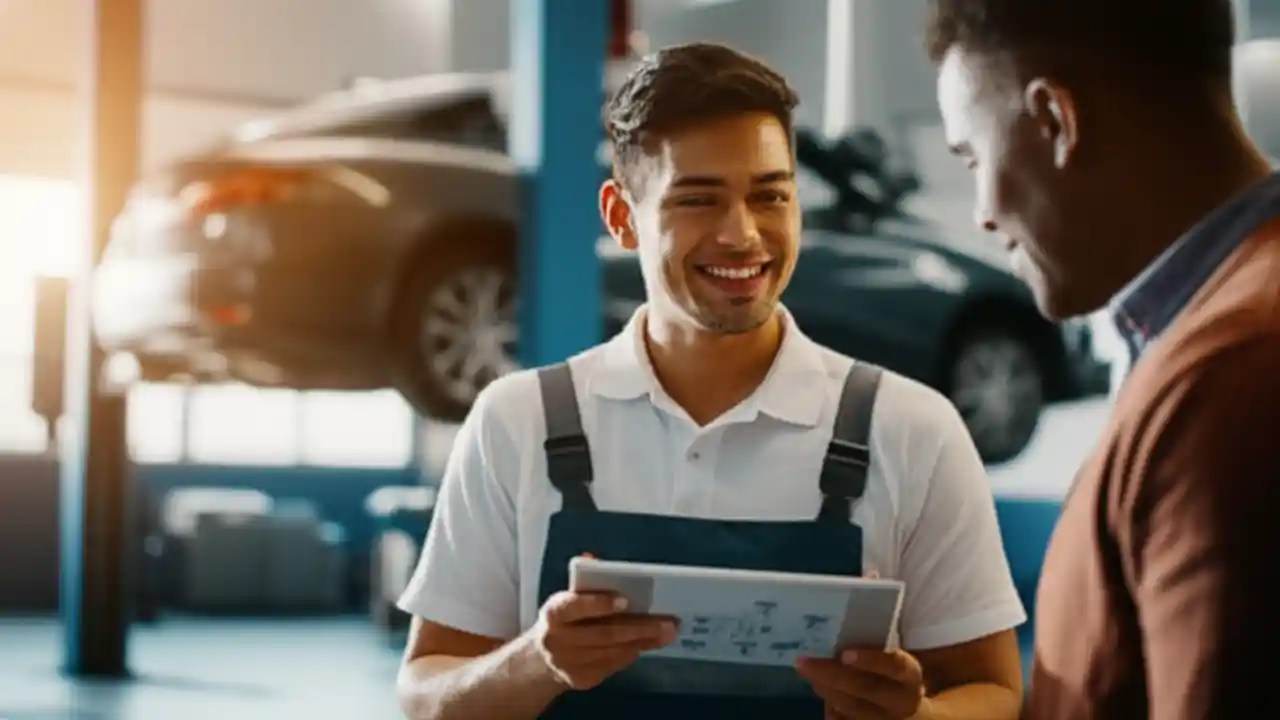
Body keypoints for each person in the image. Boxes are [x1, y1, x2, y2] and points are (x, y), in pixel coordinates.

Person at [395, 42, 1026, 720]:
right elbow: (427, 694)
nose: (742, 233)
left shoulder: (910, 431)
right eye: (698, 200)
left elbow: (992, 693)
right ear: (620, 217)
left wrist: (918, 718)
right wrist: (536, 662)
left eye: (771, 196)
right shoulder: (516, 423)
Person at [927, 1, 1280, 717]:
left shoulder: (1228, 378)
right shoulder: (1214, 326)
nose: (982, 214)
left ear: (1055, 120)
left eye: (972, 158)